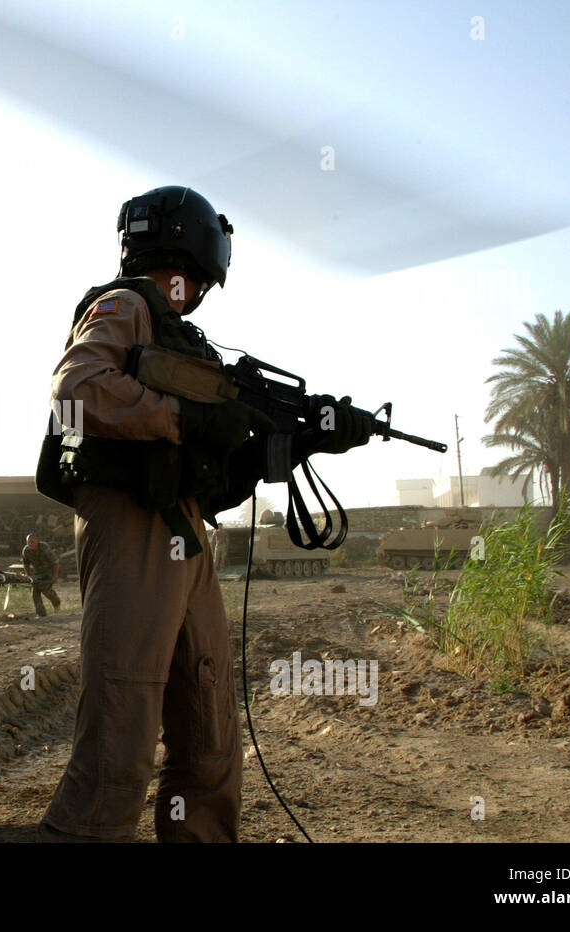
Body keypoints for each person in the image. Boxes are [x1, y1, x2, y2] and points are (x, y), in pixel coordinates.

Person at [35, 185, 370, 842]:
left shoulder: (188, 342)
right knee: (119, 742)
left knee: (210, 733)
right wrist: (187, 418)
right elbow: (74, 392)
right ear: (193, 246)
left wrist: (303, 437)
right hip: (132, 524)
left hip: (186, 532)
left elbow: (214, 479)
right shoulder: (125, 305)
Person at [21, 533, 61, 617]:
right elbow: (26, 564)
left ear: (37, 541)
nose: (30, 544)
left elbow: (56, 562)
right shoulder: (26, 550)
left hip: (49, 571)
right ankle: (41, 614)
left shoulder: (44, 548)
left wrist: (55, 577)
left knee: (45, 589)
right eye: (28, 542)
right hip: (37, 573)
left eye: (32, 542)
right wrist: (29, 577)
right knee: (35, 593)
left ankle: (56, 603)